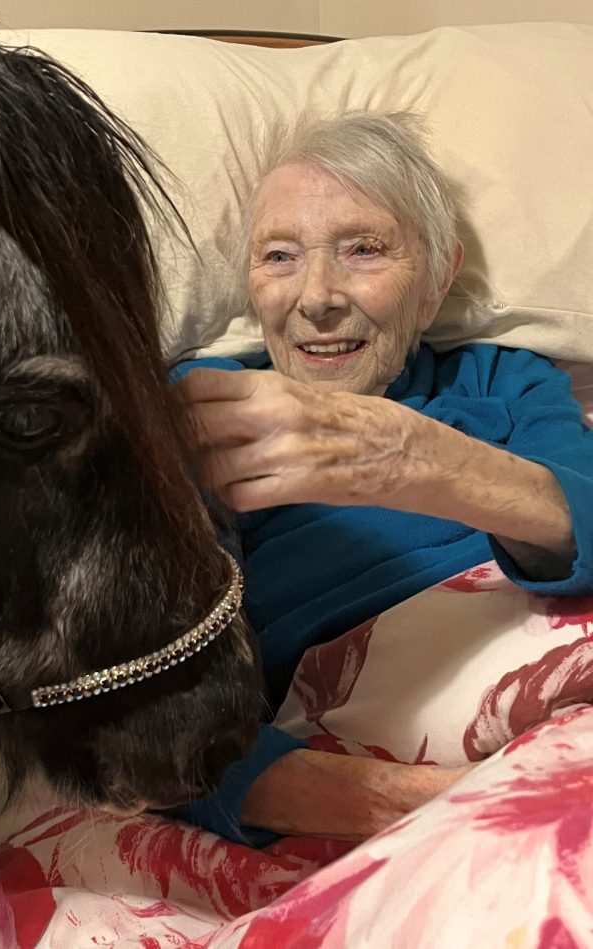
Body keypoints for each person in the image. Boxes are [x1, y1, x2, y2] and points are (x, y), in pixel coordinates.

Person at [171, 111, 593, 845]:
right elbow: (155, 686)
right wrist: (415, 804)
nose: (317, 296)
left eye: (363, 249)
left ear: (436, 282)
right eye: (279, 256)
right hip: (379, 753)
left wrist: (415, 459)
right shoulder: (214, 407)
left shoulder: (505, 379)